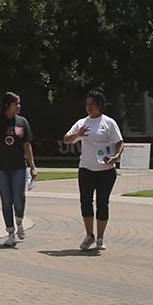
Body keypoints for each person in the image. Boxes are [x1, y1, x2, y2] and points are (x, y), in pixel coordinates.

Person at [63, 88, 124, 251]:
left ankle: (100, 237)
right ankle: (89, 235)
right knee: (86, 202)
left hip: (106, 170)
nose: (89, 107)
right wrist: (78, 133)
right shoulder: (82, 123)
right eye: (87, 104)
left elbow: (119, 142)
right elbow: (66, 139)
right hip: (86, 169)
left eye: (92, 104)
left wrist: (117, 155)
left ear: (100, 106)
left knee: (103, 203)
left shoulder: (109, 122)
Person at [0, 91, 36, 245]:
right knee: (6, 201)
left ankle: (19, 220)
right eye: (16, 103)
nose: (19, 106)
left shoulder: (22, 122)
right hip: (0, 167)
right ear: (7, 105)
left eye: (19, 103)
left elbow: (27, 145)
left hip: (18, 166)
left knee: (19, 199)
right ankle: (10, 233)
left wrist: (33, 167)